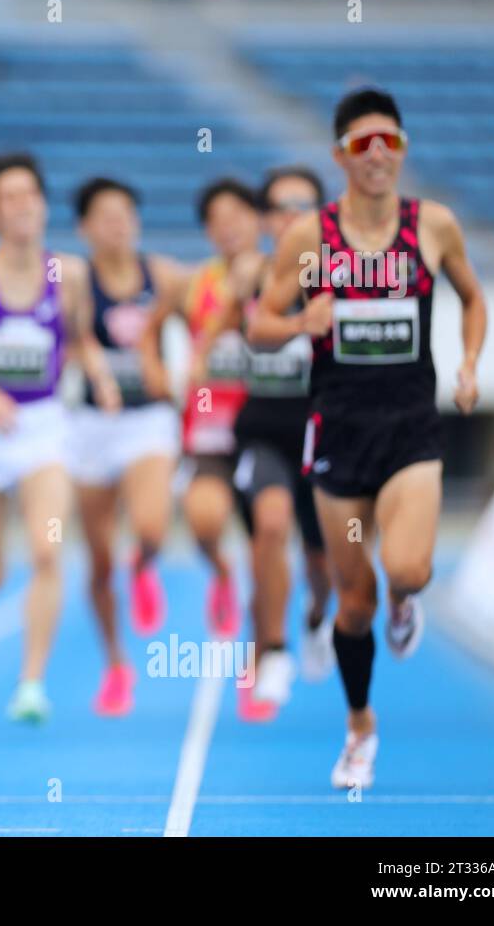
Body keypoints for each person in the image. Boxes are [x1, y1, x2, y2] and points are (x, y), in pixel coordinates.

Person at [249, 87, 486, 788]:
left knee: (406, 570)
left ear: (403, 151)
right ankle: (359, 728)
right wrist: (300, 324)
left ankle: (407, 601)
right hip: (339, 435)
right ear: (341, 156)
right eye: (362, 144)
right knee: (355, 603)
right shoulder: (310, 237)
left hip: (411, 429)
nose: (378, 154)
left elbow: (473, 298)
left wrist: (470, 363)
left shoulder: (433, 226)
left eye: (390, 141)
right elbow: (260, 325)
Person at [0, 154, 118, 723]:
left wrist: (98, 374)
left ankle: (31, 684)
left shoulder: (67, 274)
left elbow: (79, 340)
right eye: (11, 197)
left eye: (32, 194)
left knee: (48, 550)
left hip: (46, 426)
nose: (24, 206)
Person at [202, 167, 335, 721]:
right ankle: (273, 650)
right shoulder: (254, 273)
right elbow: (213, 348)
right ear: (266, 219)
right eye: (279, 208)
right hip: (264, 431)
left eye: (302, 206)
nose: (290, 218)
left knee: (323, 560)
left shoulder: (338, 272)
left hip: (326, 431)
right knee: (270, 528)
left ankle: (315, 617)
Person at [67, 178, 188, 716]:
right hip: (94, 424)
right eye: (105, 216)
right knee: (96, 562)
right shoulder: (76, 279)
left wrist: (186, 375)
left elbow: (208, 319)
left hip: (149, 421)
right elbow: (73, 339)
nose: (118, 224)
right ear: (85, 228)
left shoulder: (161, 276)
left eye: (125, 214)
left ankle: (145, 563)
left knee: (151, 526)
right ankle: (116, 664)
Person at [140, 179, 259, 641]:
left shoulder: (279, 276)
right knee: (204, 521)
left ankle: (263, 649)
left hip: (263, 427)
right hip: (208, 430)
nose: (228, 228)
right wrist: (154, 366)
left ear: (257, 220)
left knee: (266, 538)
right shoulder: (194, 284)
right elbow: (150, 330)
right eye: (217, 221)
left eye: (237, 216)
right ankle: (224, 575)